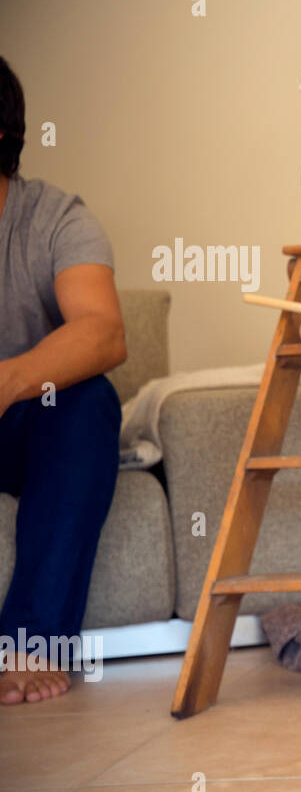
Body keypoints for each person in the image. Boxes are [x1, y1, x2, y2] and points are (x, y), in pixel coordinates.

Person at [0, 56, 126, 704]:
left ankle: (31, 640)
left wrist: (8, 381)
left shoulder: (54, 217)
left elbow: (103, 331)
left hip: (24, 425)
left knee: (85, 401)